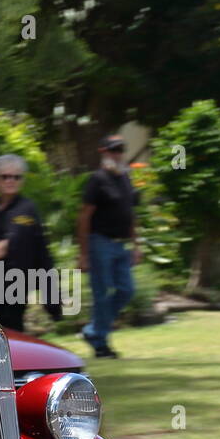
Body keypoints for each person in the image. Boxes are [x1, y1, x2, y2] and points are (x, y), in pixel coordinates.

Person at [0, 154, 60, 331]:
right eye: (5, 176)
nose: (10, 181)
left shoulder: (26, 209)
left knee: (8, 333)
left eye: (16, 177)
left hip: (11, 284)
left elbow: (10, 243)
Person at [77, 134, 139, 358]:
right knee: (101, 294)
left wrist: (136, 245)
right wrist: (83, 253)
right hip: (100, 243)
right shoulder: (97, 179)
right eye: (113, 149)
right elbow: (84, 217)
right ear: (103, 152)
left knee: (127, 290)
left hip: (122, 246)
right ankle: (101, 344)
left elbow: (130, 215)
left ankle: (93, 330)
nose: (118, 154)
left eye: (121, 149)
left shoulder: (125, 179)